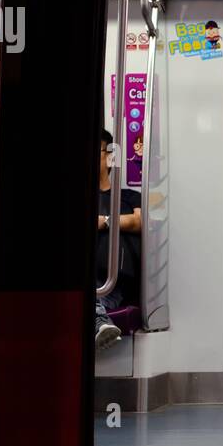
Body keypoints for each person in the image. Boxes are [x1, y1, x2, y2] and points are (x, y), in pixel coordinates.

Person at [95, 128, 143, 349]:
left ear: (110, 157)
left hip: (113, 282)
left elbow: (138, 222)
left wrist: (105, 221)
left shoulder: (128, 196)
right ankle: (101, 322)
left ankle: (100, 321)